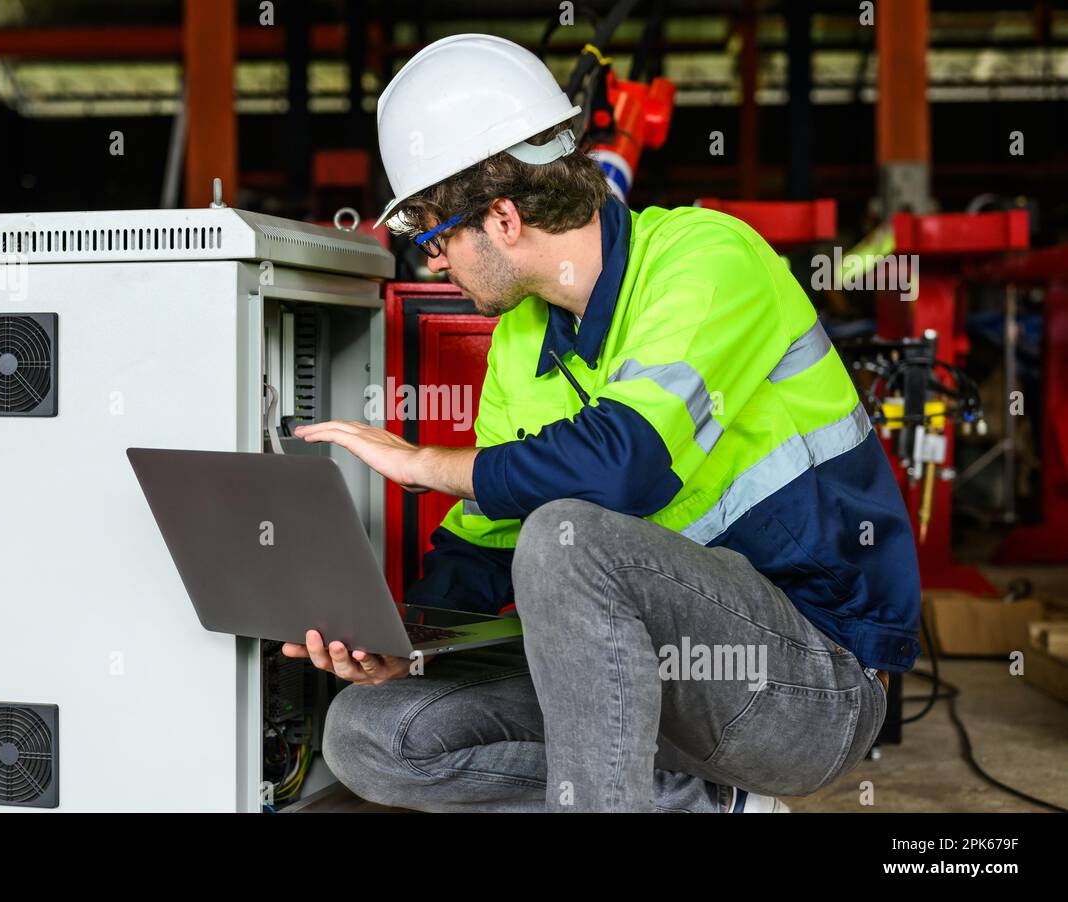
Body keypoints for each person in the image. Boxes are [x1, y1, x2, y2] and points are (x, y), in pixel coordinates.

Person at [283, 33, 920, 813]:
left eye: (433, 237)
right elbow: (485, 541)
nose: (435, 264)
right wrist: (401, 638)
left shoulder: (704, 258)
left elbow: (627, 462)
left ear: (505, 218)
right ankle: (707, 807)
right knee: (369, 734)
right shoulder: (523, 337)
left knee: (566, 539)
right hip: (649, 686)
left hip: (808, 686)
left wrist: (424, 463)